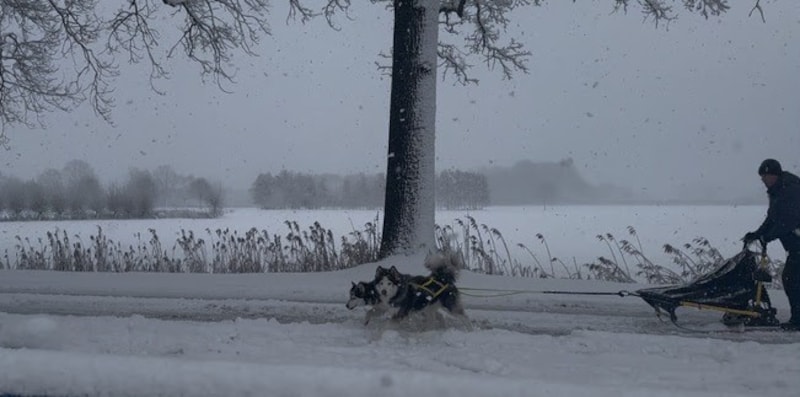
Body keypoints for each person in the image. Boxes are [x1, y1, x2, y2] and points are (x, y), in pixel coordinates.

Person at [743, 159, 800, 330]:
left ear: (774, 175)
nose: (763, 181)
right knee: (793, 279)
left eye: (765, 177)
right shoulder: (776, 191)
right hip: (795, 246)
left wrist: (767, 237)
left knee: (791, 279)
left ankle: (798, 320)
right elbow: (773, 218)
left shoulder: (790, 190)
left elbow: (787, 222)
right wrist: (758, 234)